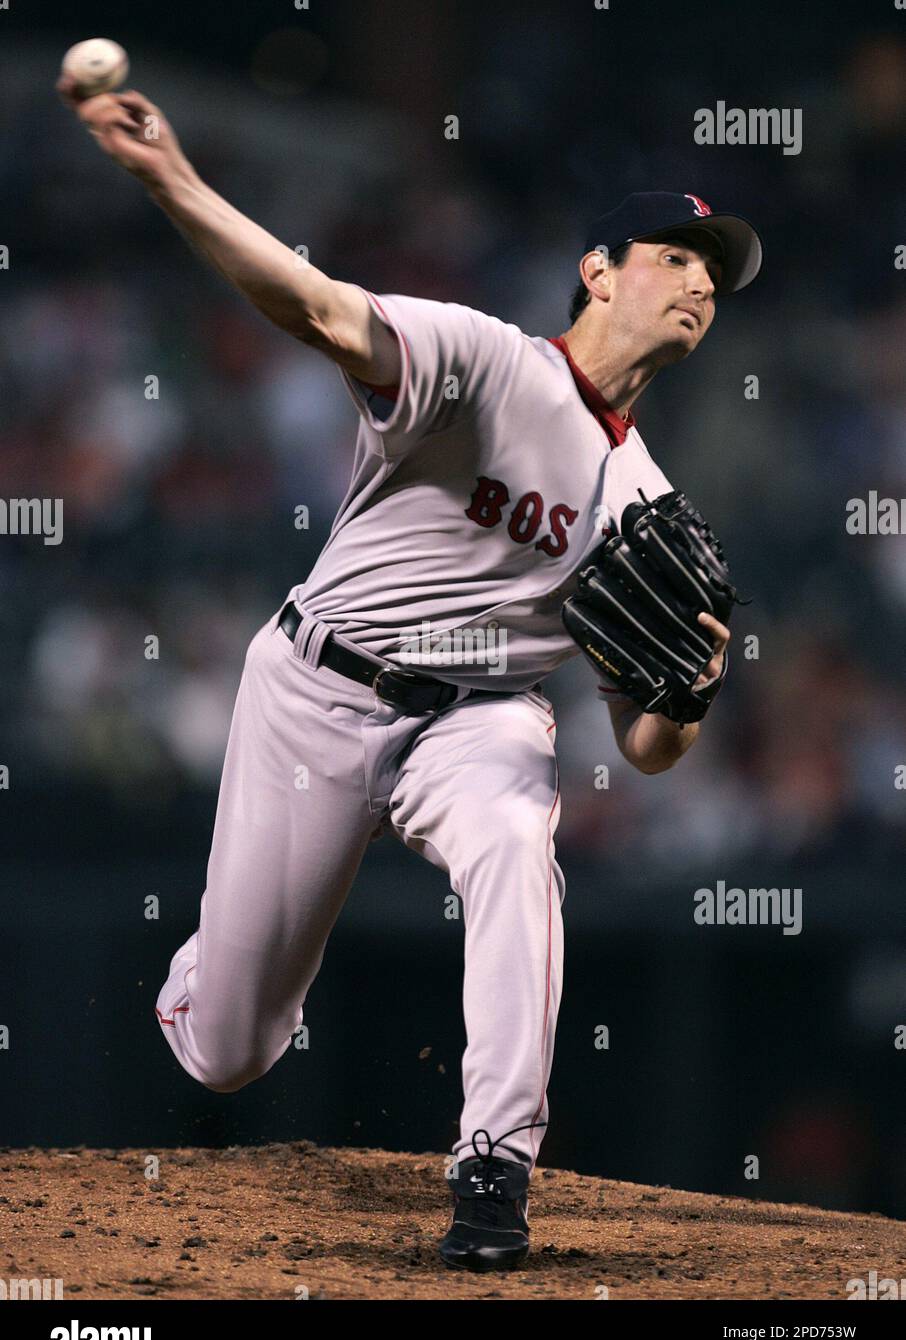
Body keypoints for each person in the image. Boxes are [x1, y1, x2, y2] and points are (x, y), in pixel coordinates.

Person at [58, 75, 762, 1272]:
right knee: (231, 1052)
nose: (701, 279)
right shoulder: (483, 361)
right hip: (317, 689)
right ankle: (211, 970)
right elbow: (319, 309)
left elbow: (644, 748)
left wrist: (687, 699)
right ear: (597, 269)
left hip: (480, 721)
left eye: (716, 270)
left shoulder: (651, 507)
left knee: (512, 848)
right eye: (676, 252)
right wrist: (168, 177)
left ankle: (494, 1164)